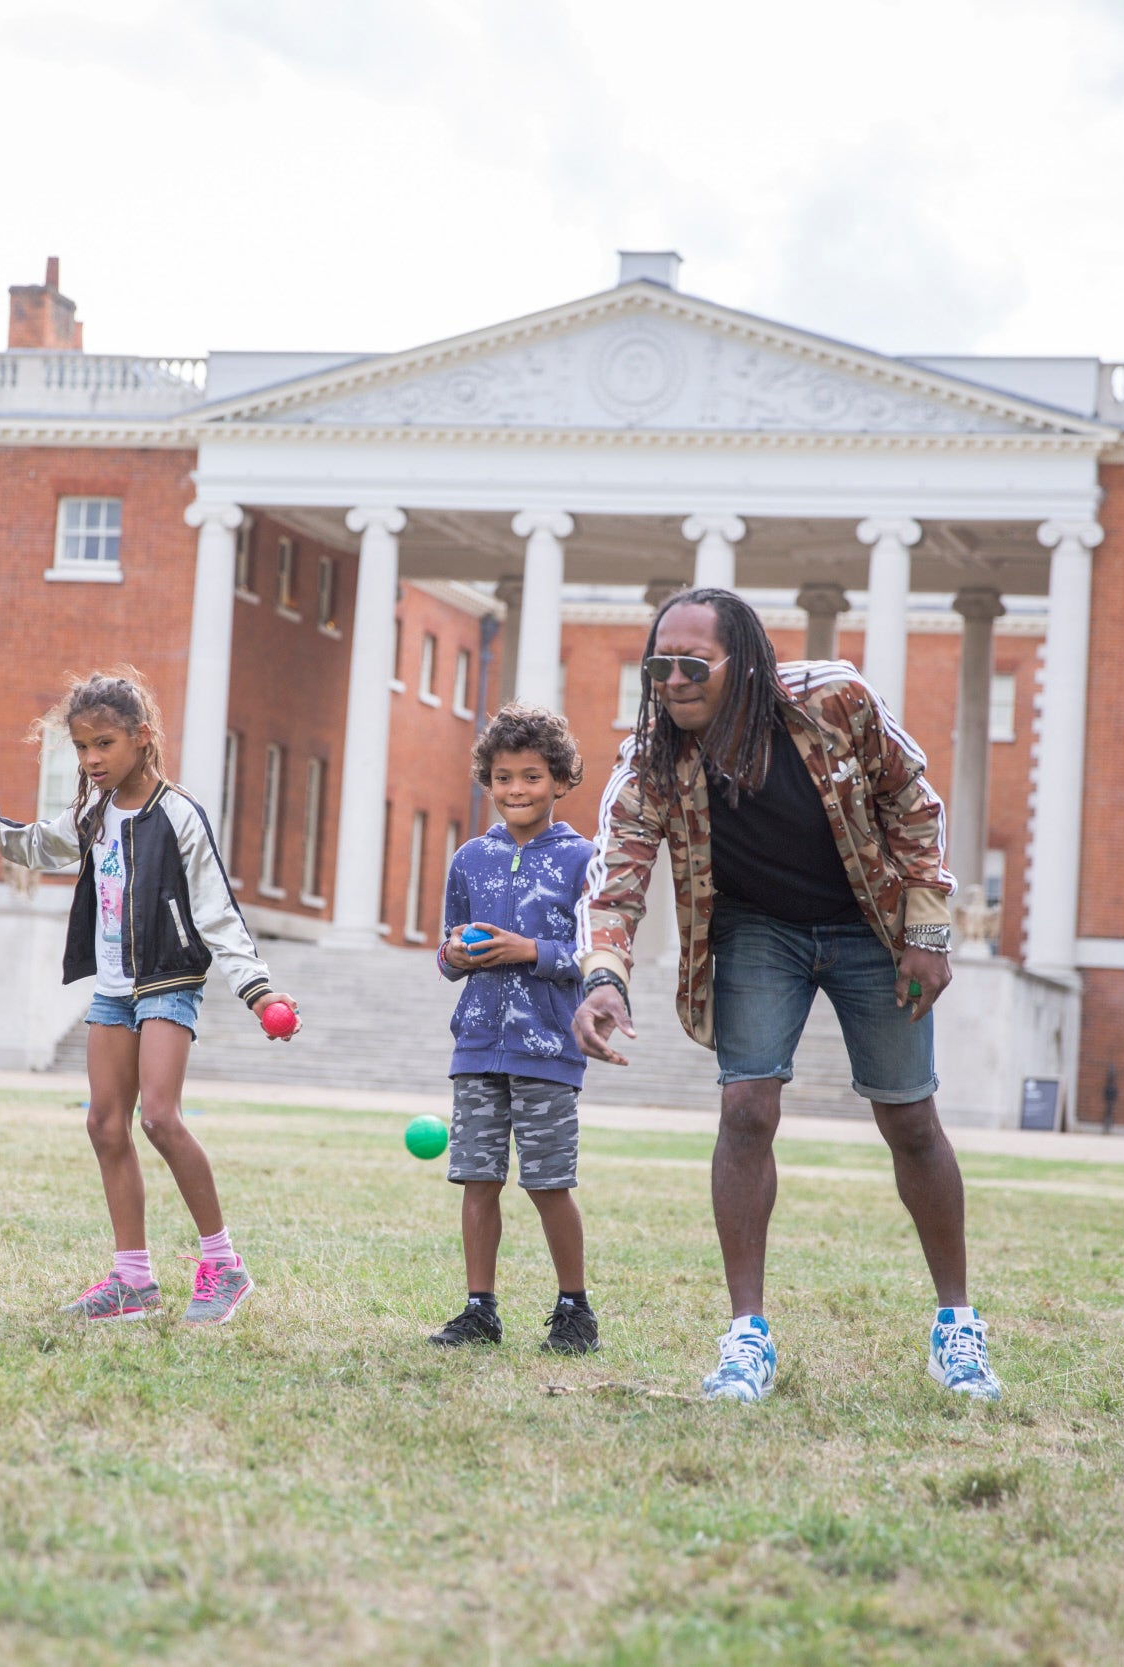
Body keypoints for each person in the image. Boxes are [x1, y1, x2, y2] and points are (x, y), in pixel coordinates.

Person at [572, 587, 1001, 1405]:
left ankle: (957, 1325)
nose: (672, 681)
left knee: (910, 1120)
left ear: (747, 663)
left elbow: (914, 803)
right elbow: (615, 878)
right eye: (658, 665)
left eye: (692, 664)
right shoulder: (654, 756)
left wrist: (930, 932)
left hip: (867, 923)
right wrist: (602, 977)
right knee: (745, 1111)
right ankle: (747, 1336)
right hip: (755, 930)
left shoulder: (836, 700)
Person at [0, 669, 294, 1326]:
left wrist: (257, 989)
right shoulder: (92, 812)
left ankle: (223, 1263)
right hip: (113, 988)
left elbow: (217, 911)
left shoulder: (178, 814)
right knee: (103, 1123)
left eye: (104, 744)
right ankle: (133, 1279)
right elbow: (38, 844)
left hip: (168, 979)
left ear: (140, 738)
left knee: (159, 1117)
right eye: (82, 748)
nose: (93, 759)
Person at [428, 704, 600, 1356]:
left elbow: (596, 955)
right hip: (476, 1047)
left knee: (547, 1181)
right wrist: (457, 954)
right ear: (488, 782)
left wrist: (531, 951)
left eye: (532, 776)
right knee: (477, 1176)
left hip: (549, 1049)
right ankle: (480, 1309)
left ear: (560, 779)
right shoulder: (471, 858)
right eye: (504, 777)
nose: (517, 789)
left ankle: (573, 1306)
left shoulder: (585, 860)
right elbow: (446, 952)